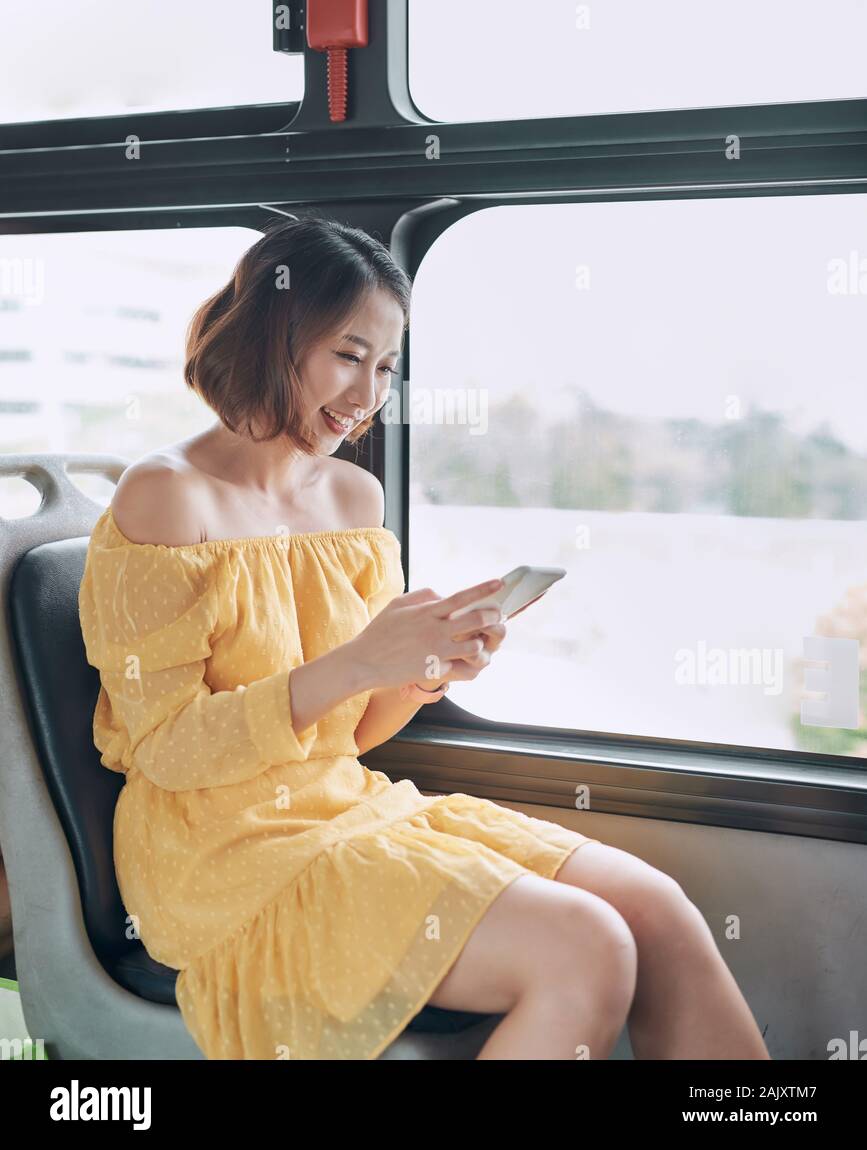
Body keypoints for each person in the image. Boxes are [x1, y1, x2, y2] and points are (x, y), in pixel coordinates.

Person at [77, 213, 770, 1061]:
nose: (366, 395)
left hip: (346, 807)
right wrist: (357, 661)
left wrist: (419, 674)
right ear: (273, 335)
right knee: (586, 949)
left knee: (656, 909)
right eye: (345, 354)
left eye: (386, 366)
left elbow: (354, 735)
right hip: (219, 853)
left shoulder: (353, 505)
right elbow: (167, 753)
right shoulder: (164, 496)